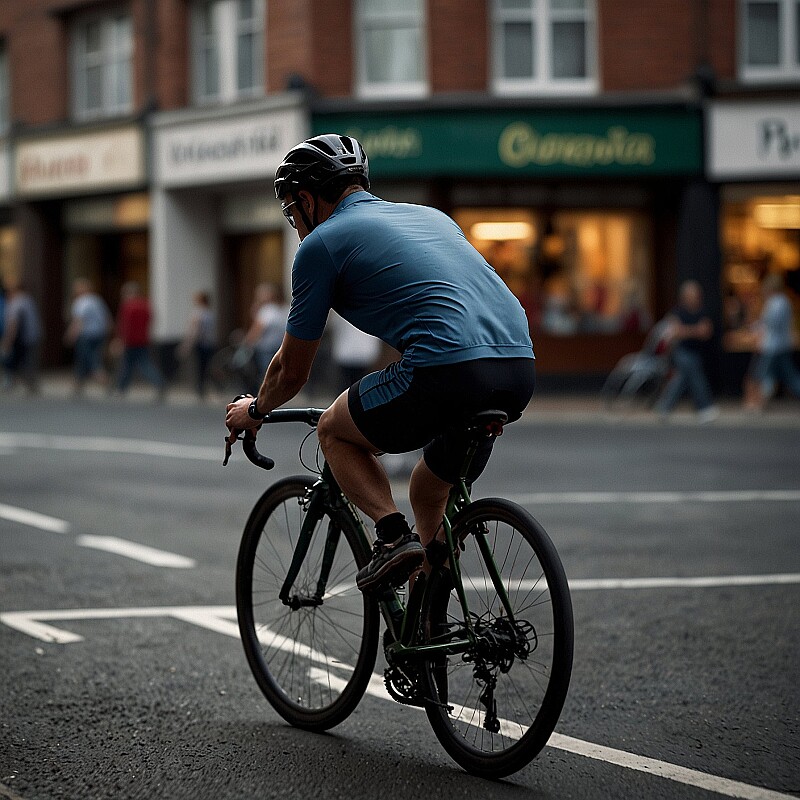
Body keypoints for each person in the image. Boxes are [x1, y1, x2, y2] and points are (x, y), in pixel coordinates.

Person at [227, 134, 535, 596]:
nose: (295, 225)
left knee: (333, 429)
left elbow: (292, 370)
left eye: (292, 212)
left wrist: (255, 410)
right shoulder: (431, 217)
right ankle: (429, 626)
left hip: (445, 370)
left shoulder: (320, 245)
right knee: (429, 490)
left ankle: (392, 538)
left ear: (308, 200)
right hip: (518, 368)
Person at [654, 279, 719, 423]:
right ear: (684, 296)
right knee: (695, 374)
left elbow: (706, 331)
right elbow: (675, 332)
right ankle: (705, 407)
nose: (695, 298)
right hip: (682, 352)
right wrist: (695, 330)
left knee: (681, 379)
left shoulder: (702, 311)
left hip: (697, 352)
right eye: (692, 295)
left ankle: (664, 407)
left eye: (696, 295)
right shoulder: (677, 312)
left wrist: (685, 330)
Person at [747, 273, 800, 410]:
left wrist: (757, 330)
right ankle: (761, 402)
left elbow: (771, 324)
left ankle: (759, 403)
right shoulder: (779, 302)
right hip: (778, 345)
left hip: (773, 346)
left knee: (764, 374)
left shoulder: (778, 302)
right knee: (786, 376)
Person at [111, 281, 165, 399]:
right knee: (141, 364)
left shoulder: (128, 306)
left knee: (130, 365)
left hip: (130, 341)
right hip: (143, 339)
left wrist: (120, 340)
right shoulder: (145, 305)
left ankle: (121, 389)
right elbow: (151, 320)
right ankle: (158, 383)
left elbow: (124, 325)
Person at [64, 277, 112, 395]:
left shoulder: (81, 302)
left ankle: (104, 380)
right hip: (99, 334)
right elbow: (107, 318)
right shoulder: (97, 300)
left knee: (90, 360)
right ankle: (77, 385)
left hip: (86, 335)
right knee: (84, 359)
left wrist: (71, 334)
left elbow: (78, 321)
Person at [1, 281, 42, 394]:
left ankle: (20, 382)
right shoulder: (28, 299)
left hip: (24, 337)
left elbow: (13, 323)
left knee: (24, 360)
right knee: (29, 360)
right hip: (33, 335)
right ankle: (29, 383)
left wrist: (8, 340)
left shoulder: (17, 302)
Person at [329, 311, 382, 393]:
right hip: (364, 353)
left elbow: (332, 325)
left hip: (347, 353)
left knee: (346, 387)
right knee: (362, 388)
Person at [244, 283, 289, 378]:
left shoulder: (267, 310)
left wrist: (247, 341)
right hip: (280, 347)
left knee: (266, 375)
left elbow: (257, 329)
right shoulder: (281, 309)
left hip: (266, 348)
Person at [179, 290, 216, 399]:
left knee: (200, 367)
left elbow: (195, 330)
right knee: (206, 366)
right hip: (209, 343)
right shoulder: (210, 313)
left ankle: (200, 388)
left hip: (200, 343)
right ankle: (204, 387)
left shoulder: (198, 313)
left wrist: (187, 345)